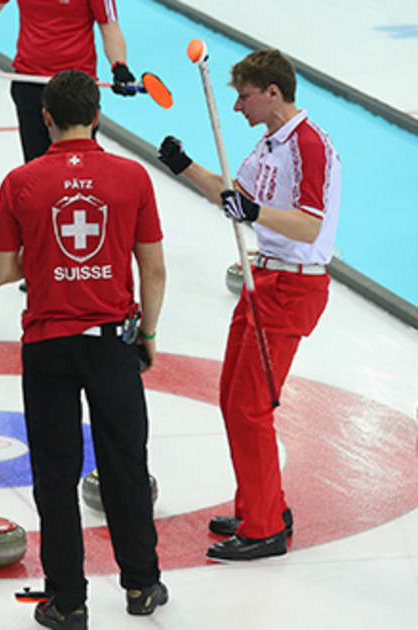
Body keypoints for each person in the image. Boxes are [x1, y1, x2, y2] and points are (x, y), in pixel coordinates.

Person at [0, 70, 167, 629]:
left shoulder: (21, 181)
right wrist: (150, 335)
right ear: (97, 115)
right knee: (125, 466)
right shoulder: (131, 177)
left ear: (45, 118)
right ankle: (141, 586)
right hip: (112, 342)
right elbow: (153, 267)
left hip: (48, 346)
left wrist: (41, 259)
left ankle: (68, 601)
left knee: (56, 475)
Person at [157, 48, 340, 562]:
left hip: (292, 286)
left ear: (273, 93)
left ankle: (264, 528)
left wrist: (256, 210)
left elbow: (309, 223)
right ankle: (261, 504)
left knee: (250, 406)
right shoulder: (268, 148)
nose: (237, 107)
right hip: (265, 277)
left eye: (244, 96)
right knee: (232, 398)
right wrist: (184, 165)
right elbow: (233, 196)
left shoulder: (308, 145)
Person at [0, 0, 138, 163]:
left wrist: (120, 66)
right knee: (37, 167)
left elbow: (109, 26)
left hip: (77, 88)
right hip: (29, 83)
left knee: (80, 167)